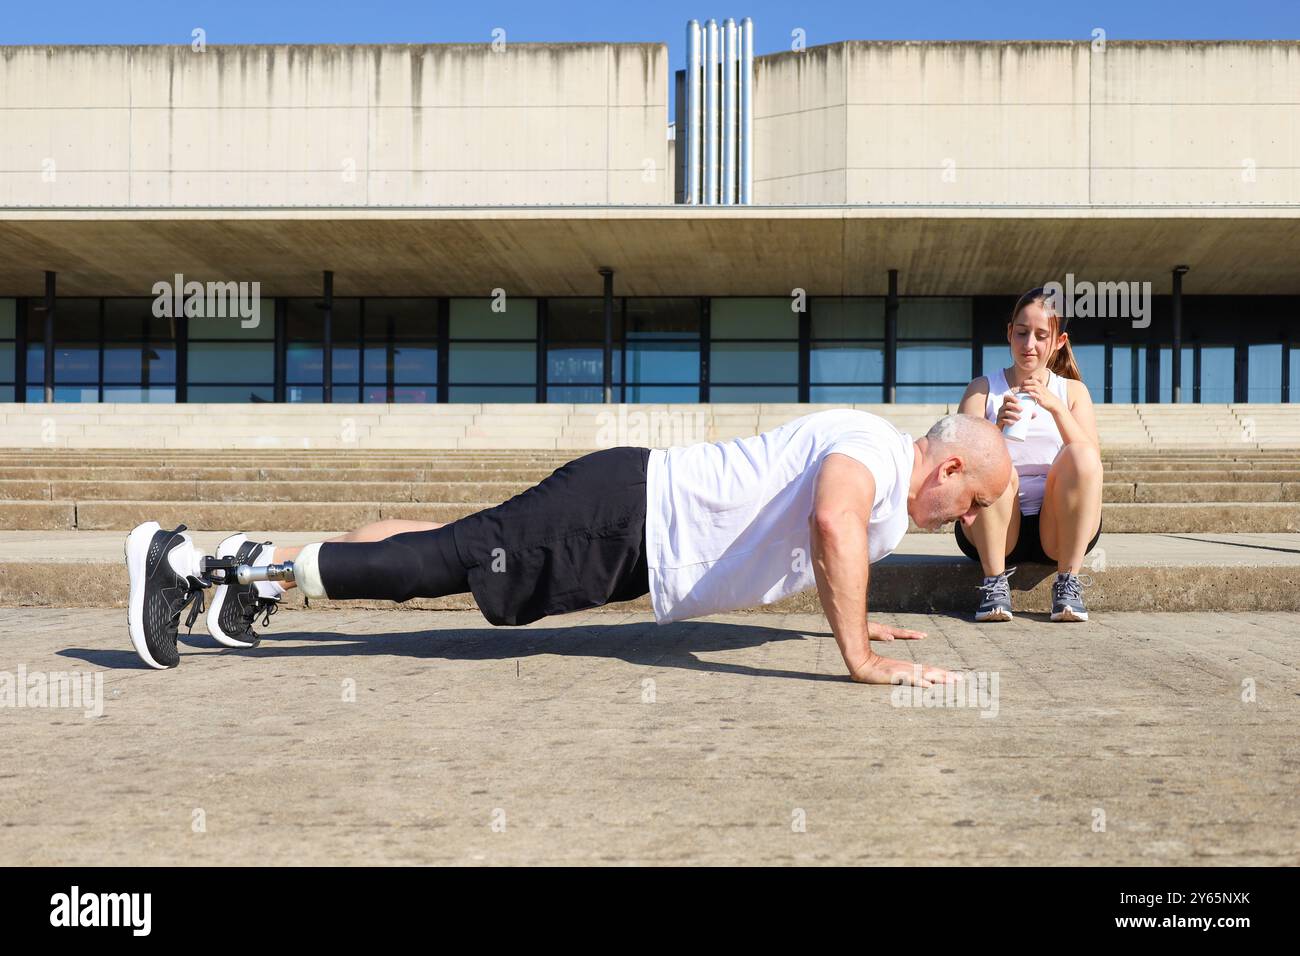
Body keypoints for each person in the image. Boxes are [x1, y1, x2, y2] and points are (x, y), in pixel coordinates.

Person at [124, 409, 1011, 685]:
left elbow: (838, 543)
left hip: (625, 527)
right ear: (952, 465)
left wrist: (851, 622)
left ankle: (263, 566)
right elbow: (829, 524)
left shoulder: (891, 482)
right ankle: (189, 564)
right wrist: (856, 654)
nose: (963, 522)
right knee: (433, 570)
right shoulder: (874, 451)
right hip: (619, 516)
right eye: (969, 505)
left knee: (442, 549)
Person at [955, 288, 1104, 623]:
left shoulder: (1072, 391)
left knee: (1080, 455)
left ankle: (1068, 582)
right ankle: (993, 584)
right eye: (1021, 334)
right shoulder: (983, 389)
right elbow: (957, 462)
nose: (1029, 345)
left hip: (1059, 529)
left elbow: (1091, 462)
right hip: (994, 529)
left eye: (1041, 336)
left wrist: (1055, 407)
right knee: (995, 463)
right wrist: (993, 428)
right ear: (1009, 332)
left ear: (1059, 341)